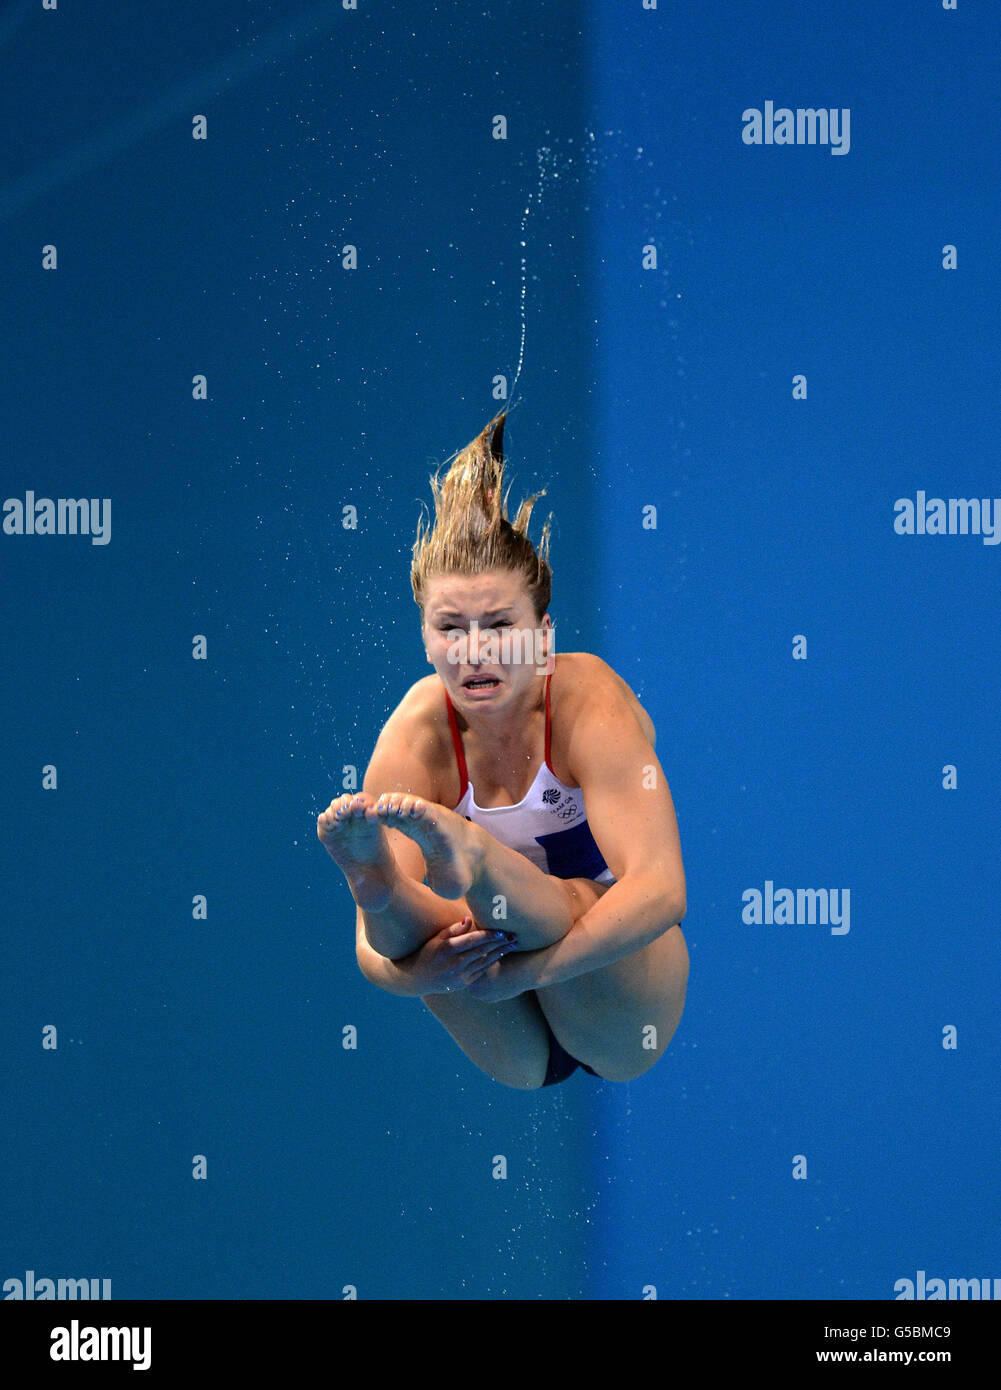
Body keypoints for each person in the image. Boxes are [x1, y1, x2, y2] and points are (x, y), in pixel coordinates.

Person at [317, 408, 688, 1088]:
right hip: (509, 1033)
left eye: (499, 624)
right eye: (449, 627)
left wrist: (532, 969)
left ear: (543, 636)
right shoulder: (416, 732)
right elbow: (371, 959)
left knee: (558, 902)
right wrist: (418, 973)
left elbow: (661, 892)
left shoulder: (586, 701)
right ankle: (391, 883)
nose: (474, 650)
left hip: (623, 999)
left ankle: (479, 859)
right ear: (425, 640)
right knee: (420, 927)